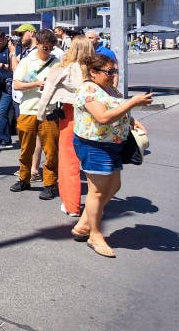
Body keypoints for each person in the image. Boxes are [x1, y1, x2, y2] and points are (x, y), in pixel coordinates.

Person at [70, 54, 152, 257]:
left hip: (112, 144)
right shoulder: (88, 89)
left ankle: (83, 224)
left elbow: (115, 107)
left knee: (114, 186)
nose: (113, 75)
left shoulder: (108, 87)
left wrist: (131, 121)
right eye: (109, 71)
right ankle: (95, 235)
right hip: (95, 145)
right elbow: (102, 116)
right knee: (96, 192)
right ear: (93, 72)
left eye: (115, 71)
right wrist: (132, 103)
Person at [37, 36, 96, 217]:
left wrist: (42, 114)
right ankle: (96, 205)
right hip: (95, 114)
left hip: (71, 115)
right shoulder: (95, 69)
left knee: (69, 161)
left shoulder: (64, 67)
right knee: (91, 164)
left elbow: (47, 92)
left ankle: (72, 205)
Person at [11, 29, 61, 198]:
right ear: (37, 44)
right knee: (26, 149)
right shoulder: (27, 61)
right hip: (28, 109)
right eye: (44, 48)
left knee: (51, 150)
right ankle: (24, 179)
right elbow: (16, 85)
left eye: (50, 48)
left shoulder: (57, 63)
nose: (47, 51)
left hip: (49, 111)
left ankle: (50, 183)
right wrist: (37, 84)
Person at [0, 31, 15, 151]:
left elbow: (15, 67)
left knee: (2, 111)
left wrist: (1, 65)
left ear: (5, 40)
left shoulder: (11, 50)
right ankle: (6, 139)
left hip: (8, 85)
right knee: (1, 113)